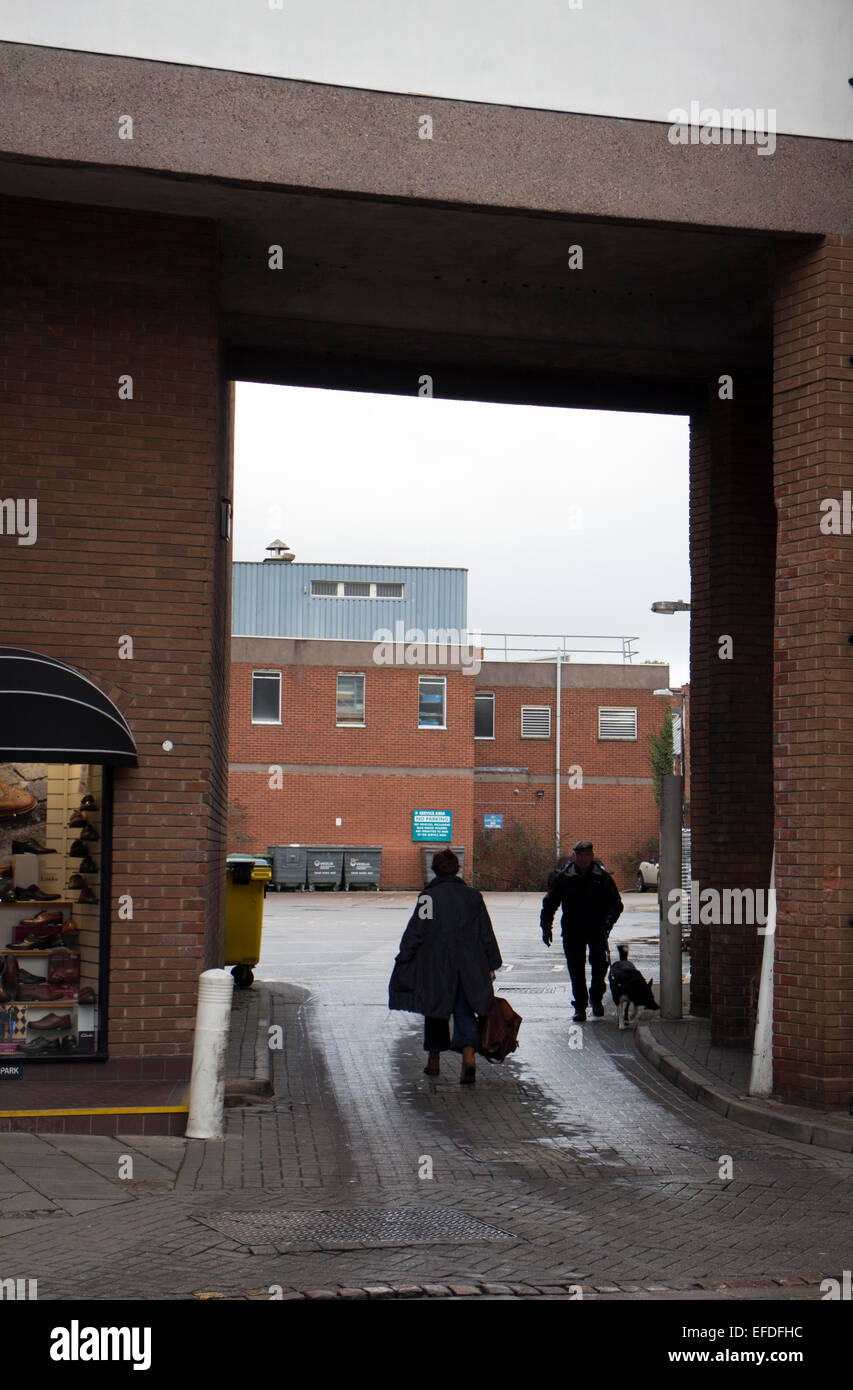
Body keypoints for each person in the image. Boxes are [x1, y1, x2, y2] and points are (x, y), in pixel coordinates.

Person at [388, 848, 502, 1084]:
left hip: (437, 965)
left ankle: (434, 1060)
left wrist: (404, 956)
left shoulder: (429, 898)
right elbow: (485, 932)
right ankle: (469, 1054)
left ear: (434, 870)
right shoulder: (473, 896)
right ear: (458, 869)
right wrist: (492, 963)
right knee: (464, 1009)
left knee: (436, 1010)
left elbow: (417, 930)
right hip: (470, 964)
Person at [540, 838, 623, 1023]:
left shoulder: (601, 877)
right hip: (573, 930)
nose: (584, 858)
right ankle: (580, 1006)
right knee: (576, 969)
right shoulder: (564, 877)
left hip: (596, 929)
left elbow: (616, 904)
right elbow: (550, 903)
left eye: (587, 855)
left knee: (600, 965)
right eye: (580, 855)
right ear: (574, 856)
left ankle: (596, 997)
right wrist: (546, 926)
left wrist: (608, 923)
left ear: (592, 856)